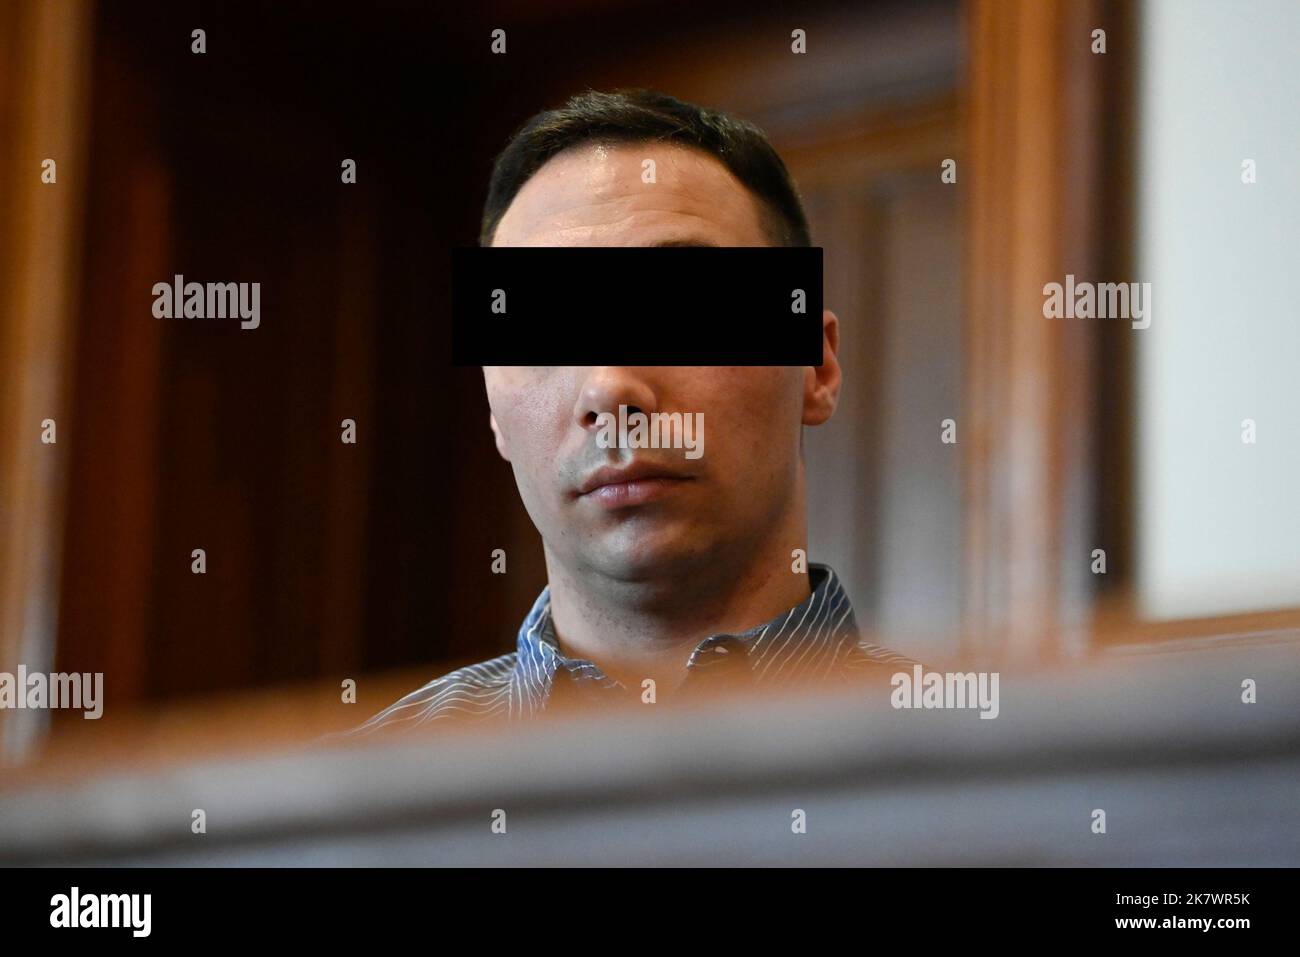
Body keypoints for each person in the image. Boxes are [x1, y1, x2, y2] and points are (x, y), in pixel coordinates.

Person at [341, 89, 915, 736]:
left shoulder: (994, 767)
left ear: (815, 366)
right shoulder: (352, 799)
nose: (610, 388)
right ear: (492, 404)